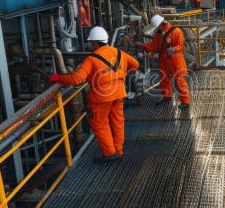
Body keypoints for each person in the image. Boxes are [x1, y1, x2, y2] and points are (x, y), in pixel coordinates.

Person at [49, 26, 139, 162]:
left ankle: (110, 153)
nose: (91, 45)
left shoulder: (91, 59)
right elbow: (136, 64)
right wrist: (121, 74)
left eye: (91, 42)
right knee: (118, 122)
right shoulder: (119, 53)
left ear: (95, 42)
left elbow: (77, 79)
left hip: (101, 98)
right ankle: (118, 150)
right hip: (119, 94)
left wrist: (58, 78)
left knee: (100, 124)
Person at [141, 15, 190, 108]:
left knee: (179, 80)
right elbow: (154, 45)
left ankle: (186, 101)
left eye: (157, 27)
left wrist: (174, 49)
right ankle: (167, 96)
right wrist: (144, 46)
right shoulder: (159, 34)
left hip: (175, 59)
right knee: (164, 78)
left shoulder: (176, 31)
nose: (156, 29)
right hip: (163, 59)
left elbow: (180, 45)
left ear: (161, 24)